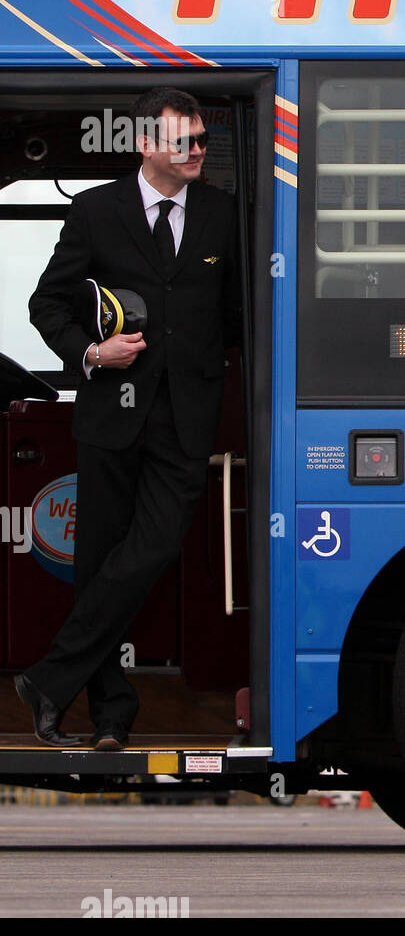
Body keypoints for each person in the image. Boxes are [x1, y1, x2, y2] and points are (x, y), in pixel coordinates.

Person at [15, 87, 240, 750]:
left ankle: (50, 681)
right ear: (146, 145)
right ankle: (110, 713)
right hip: (109, 414)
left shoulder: (224, 215)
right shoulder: (94, 211)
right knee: (97, 567)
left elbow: (236, 319)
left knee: (153, 549)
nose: (197, 151)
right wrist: (90, 351)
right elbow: (46, 304)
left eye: (201, 139)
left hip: (188, 416)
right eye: (184, 142)